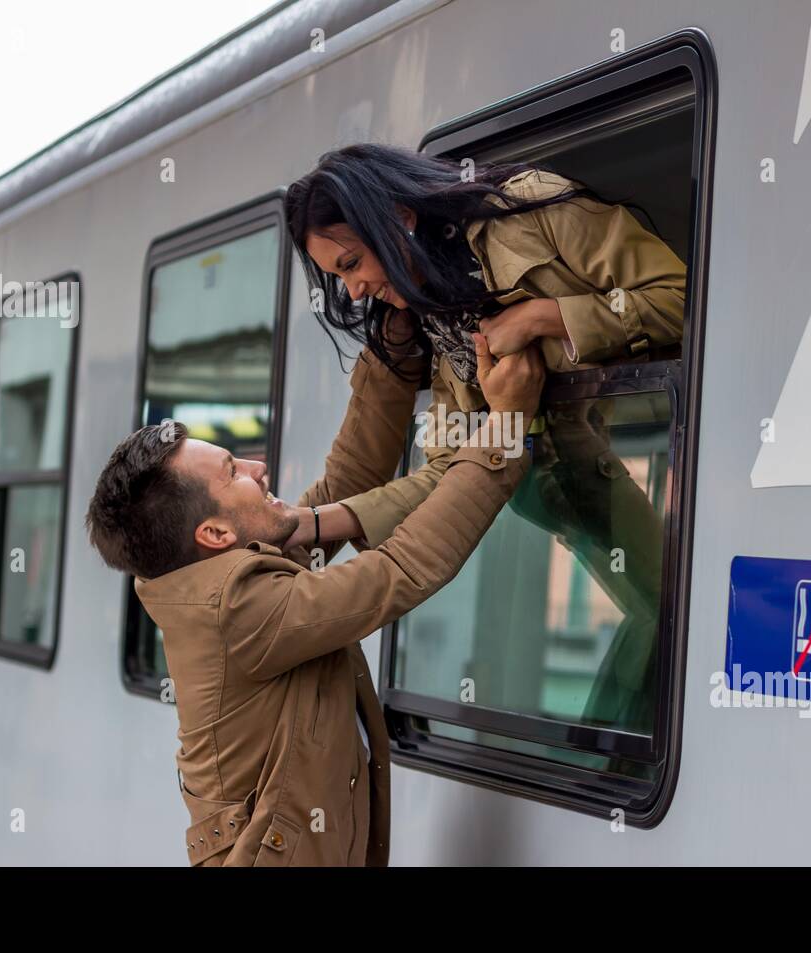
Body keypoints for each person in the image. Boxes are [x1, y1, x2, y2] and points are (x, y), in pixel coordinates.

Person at [84, 329, 544, 866]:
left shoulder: (220, 574)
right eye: (235, 472)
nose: (259, 469)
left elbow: (338, 493)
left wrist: (391, 350)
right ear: (214, 534)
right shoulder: (241, 609)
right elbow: (400, 569)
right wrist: (505, 428)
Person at [283, 143, 682, 736]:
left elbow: (683, 299)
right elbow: (446, 468)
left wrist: (546, 316)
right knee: (660, 615)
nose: (353, 292)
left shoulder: (532, 211)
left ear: (400, 218)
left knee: (665, 616)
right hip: (540, 495)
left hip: (580, 472)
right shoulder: (428, 312)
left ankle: (606, 753)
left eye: (349, 264)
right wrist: (295, 534)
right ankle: (605, 749)